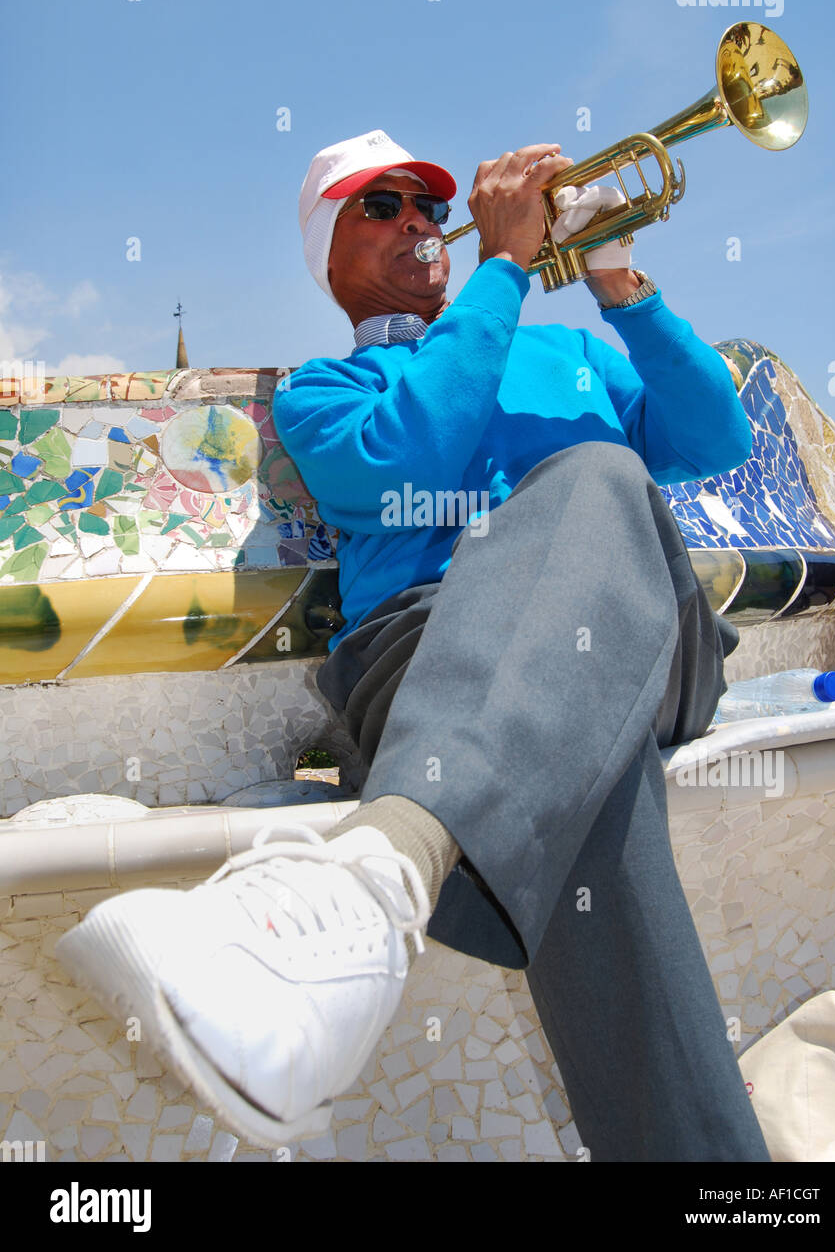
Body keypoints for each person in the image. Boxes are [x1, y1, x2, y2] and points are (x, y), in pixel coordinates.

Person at [56, 129, 771, 1162]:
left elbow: (716, 440)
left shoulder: (566, 349)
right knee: (588, 763)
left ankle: (378, 876)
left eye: (428, 206)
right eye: (379, 208)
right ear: (327, 258)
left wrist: (618, 278)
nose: (419, 224)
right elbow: (412, 455)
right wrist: (508, 273)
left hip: (635, 634)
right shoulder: (327, 390)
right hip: (425, 663)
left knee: (597, 480)